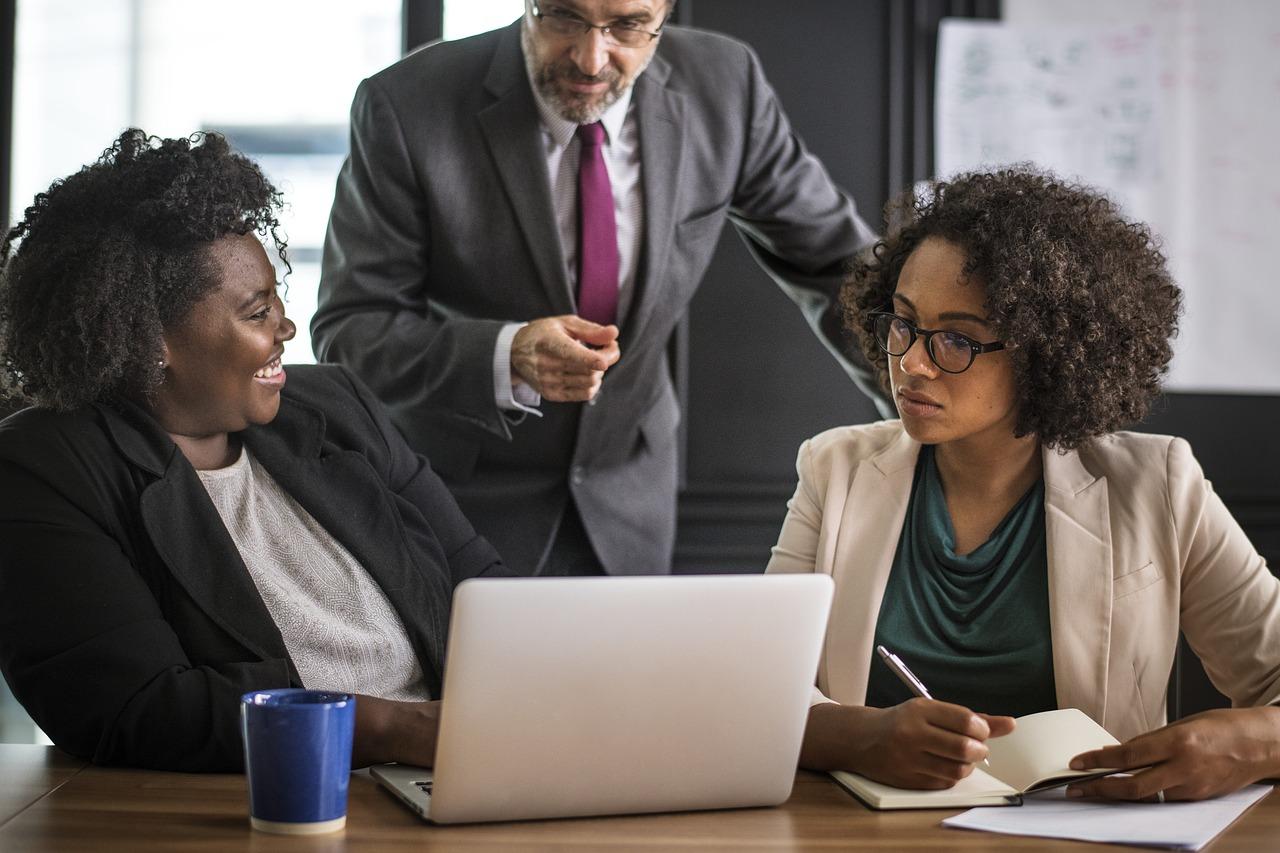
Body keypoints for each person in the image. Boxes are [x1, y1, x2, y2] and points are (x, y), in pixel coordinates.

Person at [312, 0, 890, 577]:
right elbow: (352, 330)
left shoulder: (724, 85)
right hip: (456, 503)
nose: (592, 59)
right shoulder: (407, 104)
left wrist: (931, 408)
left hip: (631, 496)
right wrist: (506, 354)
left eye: (628, 26)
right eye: (564, 16)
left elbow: (841, 267)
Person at [0, 130, 510, 772]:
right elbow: (137, 706)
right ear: (151, 339)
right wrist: (391, 729)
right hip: (261, 802)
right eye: (256, 311)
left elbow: (482, 591)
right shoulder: (46, 468)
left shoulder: (337, 407)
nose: (286, 329)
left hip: (456, 773)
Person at [767, 167, 1280, 802]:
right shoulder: (834, 467)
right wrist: (857, 737)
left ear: (1049, 352)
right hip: (856, 835)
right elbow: (763, 681)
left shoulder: (1158, 484)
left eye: (956, 338)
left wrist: (1250, 745)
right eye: (902, 323)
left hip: (1085, 836)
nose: (912, 363)